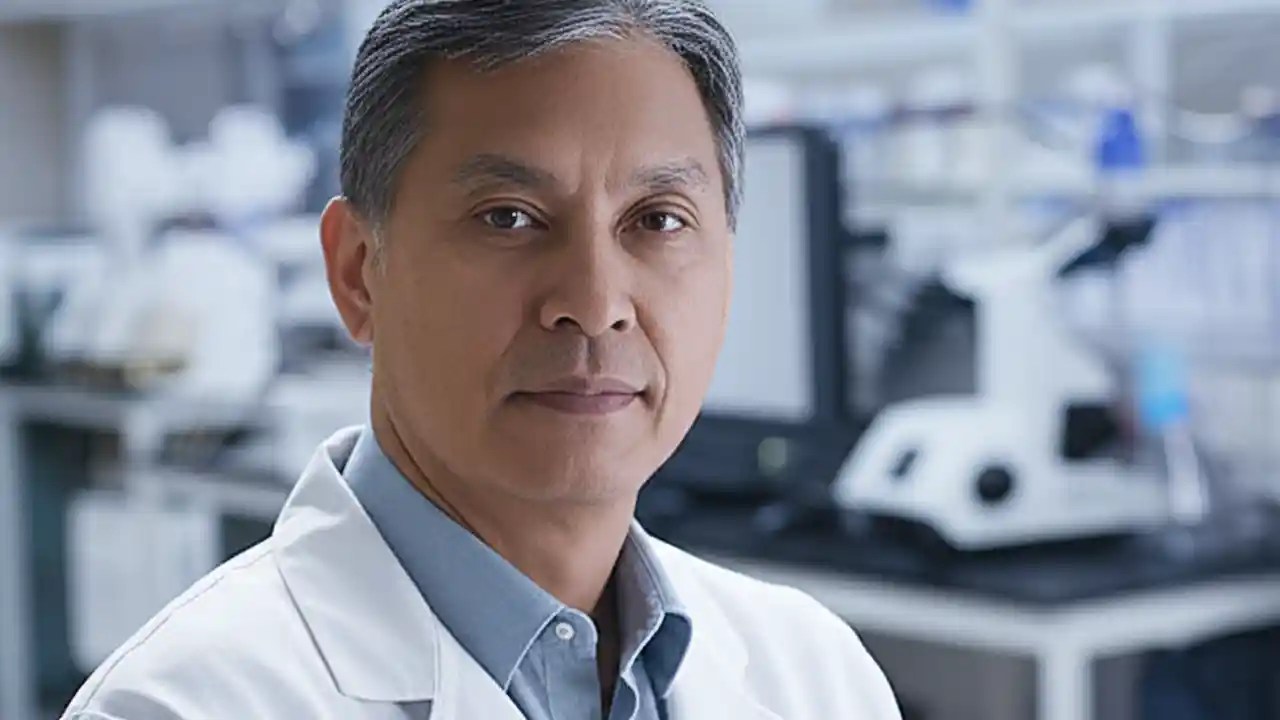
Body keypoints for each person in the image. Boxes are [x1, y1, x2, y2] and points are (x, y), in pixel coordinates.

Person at [62, 1, 901, 718]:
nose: (596, 302)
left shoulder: (818, 679)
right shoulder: (183, 704)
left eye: (657, 219)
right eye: (508, 217)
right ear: (358, 273)